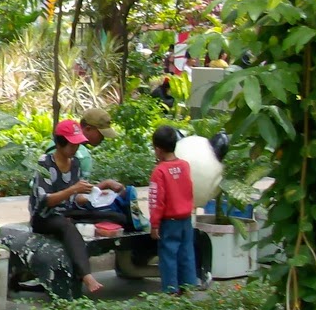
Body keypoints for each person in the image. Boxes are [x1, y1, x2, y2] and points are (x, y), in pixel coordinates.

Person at [25, 120, 131, 295]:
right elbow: (45, 201)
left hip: (66, 211)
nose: (75, 148)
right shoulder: (45, 163)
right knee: (67, 227)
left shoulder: (74, 164)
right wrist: (73, 190)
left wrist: (95, 194)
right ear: (60, 143)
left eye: (77, 144)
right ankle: (86, 275)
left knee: (115, 217)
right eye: (72, 144)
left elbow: (75, 198)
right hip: (45, 216)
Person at [149, 125, 198, 295]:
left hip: (169, 222)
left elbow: (156, 200)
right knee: (187, 253)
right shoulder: (185, 166)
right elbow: (189, 189)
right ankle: (188, 286)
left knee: (169, 256)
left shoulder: (159, 171)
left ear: (158, 149)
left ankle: (170, 290)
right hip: (185, 218)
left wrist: (154, 225)